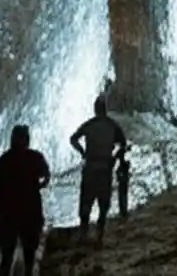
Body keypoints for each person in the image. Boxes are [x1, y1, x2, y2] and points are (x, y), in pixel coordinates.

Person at [0, 125, 50, 276]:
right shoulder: (35, 157)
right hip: (30, 211)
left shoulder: (3, 161)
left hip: (8, 214)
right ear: (27, 140)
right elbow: (46, 175)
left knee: (6, 257)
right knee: (29, 255)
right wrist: (39, 185)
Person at [70, 96, 127, 245]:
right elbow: (123, 144)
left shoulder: (90, 124)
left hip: (90, 167)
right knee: (103, 204)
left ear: (95, 109)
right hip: (105, 168)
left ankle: (83, 234)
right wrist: (116, 157)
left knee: (86, 202)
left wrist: (82, 152)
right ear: (105, 109)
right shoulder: (112, 125)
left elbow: (73, 139)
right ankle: (99, 236)